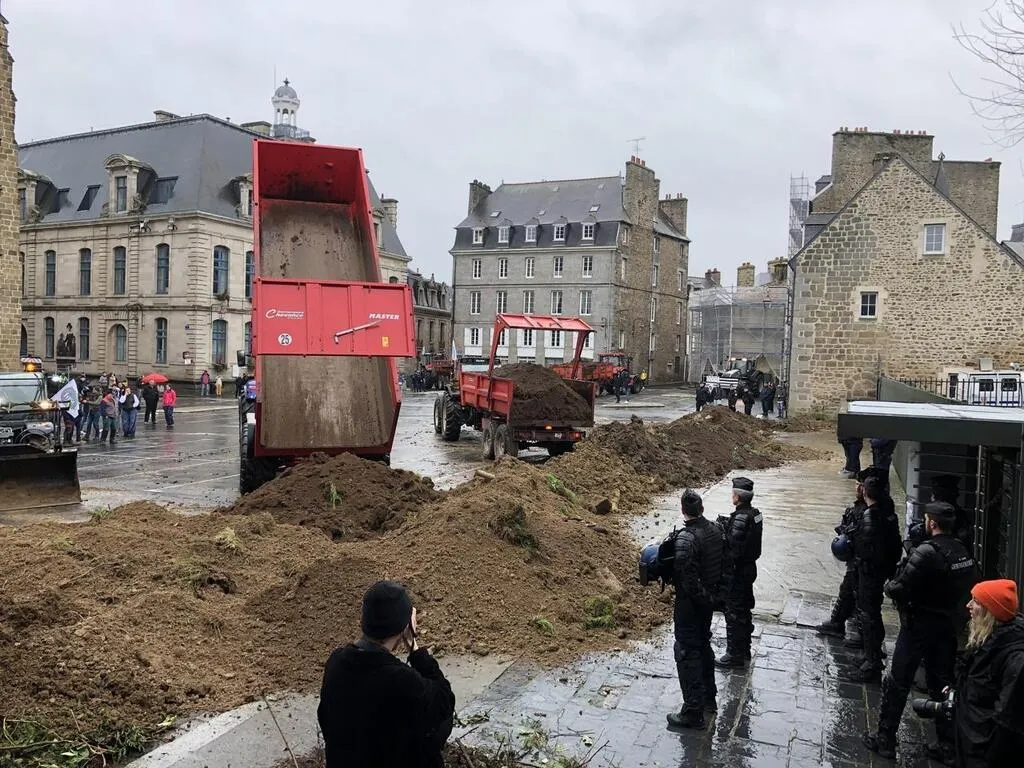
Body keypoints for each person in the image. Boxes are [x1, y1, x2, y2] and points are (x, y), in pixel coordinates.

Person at [862, 502, 978, 761]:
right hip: (946, 625)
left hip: (918, 624)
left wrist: (893, 584)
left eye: (926, 518)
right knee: (943, 684)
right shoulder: (962, 552)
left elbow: (898, 588)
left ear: (932, 523)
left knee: (898, 682)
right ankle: (946, 744)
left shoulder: (926, 552)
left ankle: (885, 739)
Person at [317, 581, 455, 768]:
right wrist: (415, 649)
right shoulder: (401, 680)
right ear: (406, 625)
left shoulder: (336, 663)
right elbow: (444, 701)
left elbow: (325, 719)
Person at [667, 489, 725, 731]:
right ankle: (709, 700)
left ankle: (693, 711)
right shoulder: (715, 530)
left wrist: (702, 598)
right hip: (708, 601)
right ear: (701, 509)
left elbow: (687, 579)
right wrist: (713, 598)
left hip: (691, 605)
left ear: (683, 510)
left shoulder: (685, 538)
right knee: (703, 646)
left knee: (686, 650)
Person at [954, 579, 1024, 767]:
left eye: (976, 601)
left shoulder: (1016, 661)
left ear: (990, 612)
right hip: (970, 742)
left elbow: (1006, 722)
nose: (968, 605)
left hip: (982, 752)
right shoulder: (986, 637)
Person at [847, 475, 903, 682]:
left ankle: (871, 662)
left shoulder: (871, 516)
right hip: (880, 571)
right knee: (871, 613)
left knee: (869, 614)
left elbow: (864, 547)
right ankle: (872, 655)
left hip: (869, 572)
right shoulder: (889, 513)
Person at [815, 467, 873, 642]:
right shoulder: (865, 508)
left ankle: (861, 638)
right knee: (850, 591)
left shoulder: (869, 513)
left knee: (854, 593)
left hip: (861, 561)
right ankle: (841, 623)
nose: (855, 488)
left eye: (858, 485)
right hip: (859, 561)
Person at [716, 477, 763, 668]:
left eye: (733, 494)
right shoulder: (756, 514)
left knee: (734, 611)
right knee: (744, 608)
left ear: (737, 497)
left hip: (737, 571)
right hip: (749, 568)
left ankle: (734, 654)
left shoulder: (741, 518)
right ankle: (744, 649)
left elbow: (733, 549)